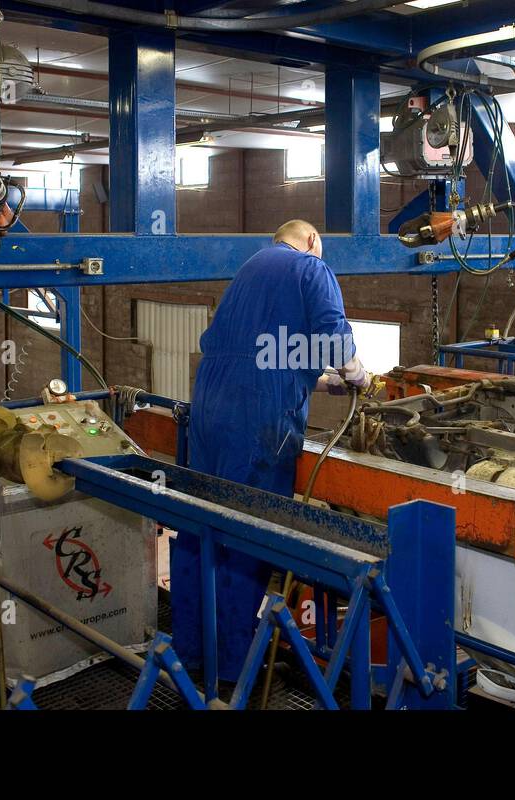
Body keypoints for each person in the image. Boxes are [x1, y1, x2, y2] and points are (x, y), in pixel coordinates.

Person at [171, 219, 373, 681]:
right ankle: (231, 670)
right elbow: (333, 335)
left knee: (201, 520)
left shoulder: (249, 270)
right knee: (250, 528)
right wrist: (359, 376)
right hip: (257, 415)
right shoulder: (310, 268)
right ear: (312, 241)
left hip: (210, 403)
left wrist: (323, 381)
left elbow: (265, 352)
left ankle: (189, 653)